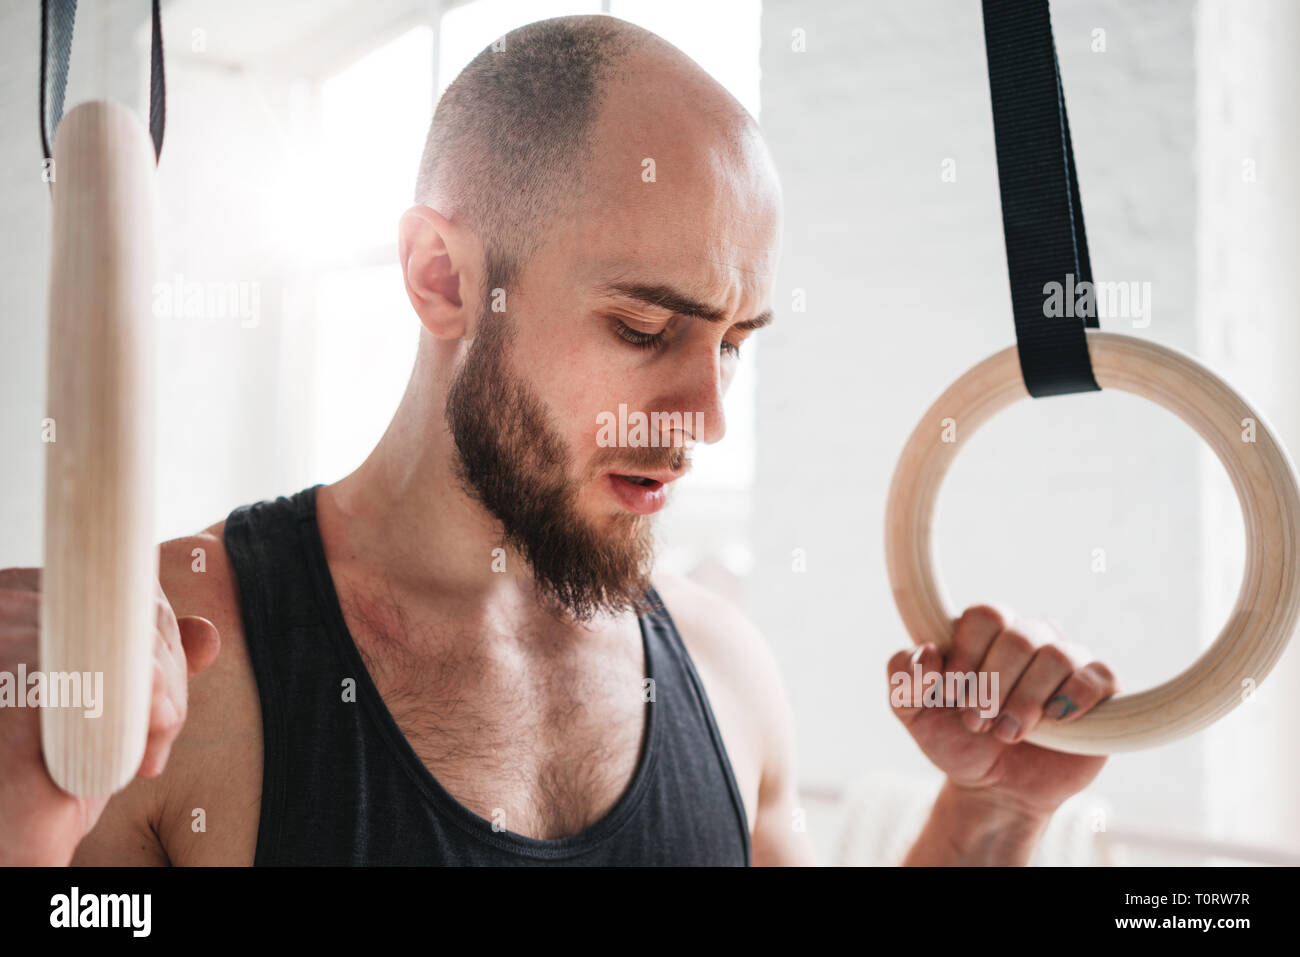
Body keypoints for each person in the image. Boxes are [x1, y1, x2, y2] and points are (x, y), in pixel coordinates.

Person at [0, 14, 1117, 866]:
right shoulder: (174, 675)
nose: (708, 416)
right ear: (443, 278)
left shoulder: (728, 676)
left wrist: (993, 813)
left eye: (733, 342)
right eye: (643, 327)